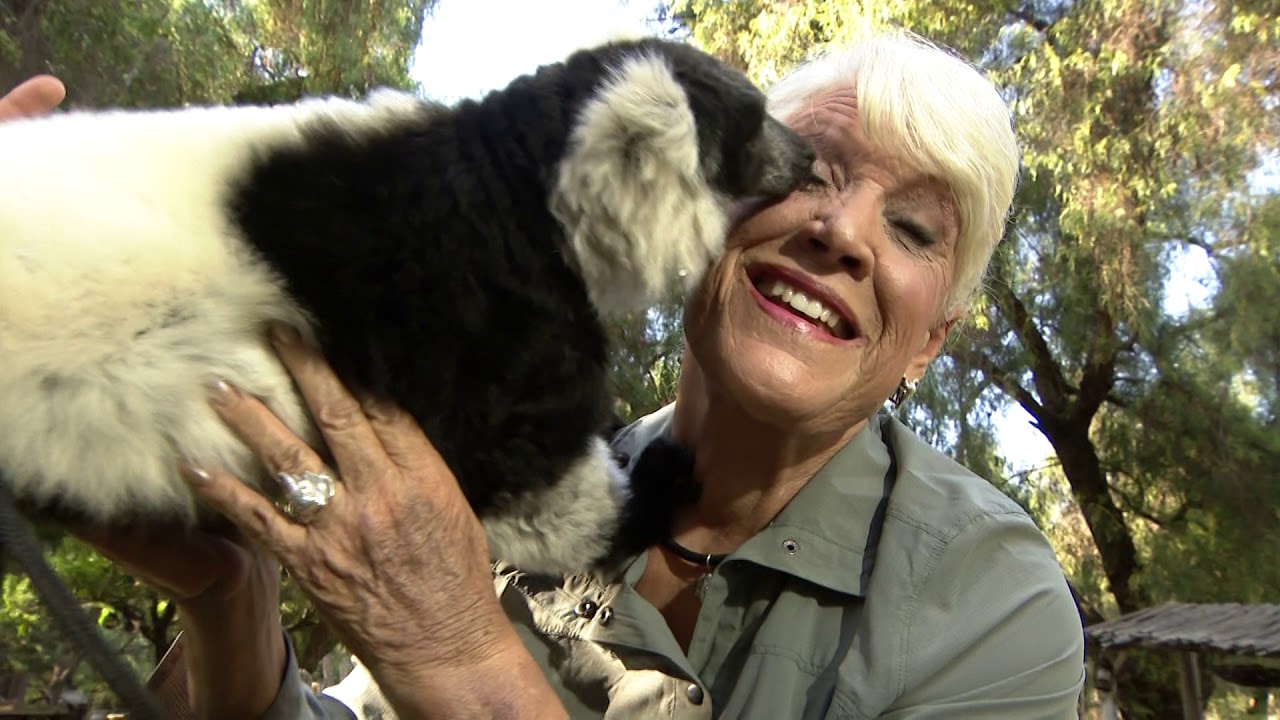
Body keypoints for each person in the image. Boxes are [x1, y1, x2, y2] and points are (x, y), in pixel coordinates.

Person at [3, 29, 1086, 719]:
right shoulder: (503, 454)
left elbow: (444, 655)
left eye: (908, 227)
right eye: (808, 170)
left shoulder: (989, 608)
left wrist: (459, 653)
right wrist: (232, 595)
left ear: (930, 338)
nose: (840, 230)